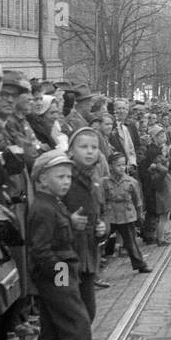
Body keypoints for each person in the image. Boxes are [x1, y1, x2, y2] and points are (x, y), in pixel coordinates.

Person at [28, 151, 104, 340]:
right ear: (41, 180)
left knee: (51, 326)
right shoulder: (43, 207)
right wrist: (62, 276)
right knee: (77, 321)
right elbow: (41, 250)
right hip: (58, 272)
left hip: (57, 271)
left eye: (68, 177)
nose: (66, 181)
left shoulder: (52, 203)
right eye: (60, 176)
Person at [63, 127, 108, 318]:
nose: (90, 151)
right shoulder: (63, 177)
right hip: (62, 260)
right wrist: (67, 219)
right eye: (83, 147)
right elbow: (46, 209)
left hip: (87, 256)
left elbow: (102, 212)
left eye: (94, 147)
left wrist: (103, 227)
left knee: (87, 312)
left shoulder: (94, 179)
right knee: (64, 310)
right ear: (71, 150)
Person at [104, 153, 151, 273]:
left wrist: (140, 215)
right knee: (102, 240)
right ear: (110, 166)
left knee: (131, 242)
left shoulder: (131, 182)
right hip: (111, 216)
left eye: (123, 165)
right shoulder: (104, 182)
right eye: (118, 165)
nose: (121, 168)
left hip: (126, 215)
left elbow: (138, 201)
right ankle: (98, 264)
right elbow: (101, 199)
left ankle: (140, 264)